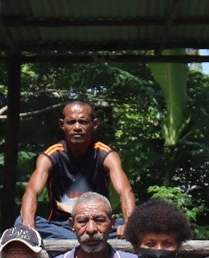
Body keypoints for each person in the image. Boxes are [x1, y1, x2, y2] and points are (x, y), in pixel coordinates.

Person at [20, 100, 137, 240]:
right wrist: (28, 226)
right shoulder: (51, 156)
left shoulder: (106, 155)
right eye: (71, 122)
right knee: (20, 222)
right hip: (61, 225)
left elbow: (125, 191)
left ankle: (81, 237)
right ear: (62, 125)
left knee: (136, 225)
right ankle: (80, 238)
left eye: (83, 122)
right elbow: (31, 192)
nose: (77, 127)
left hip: (98, 225)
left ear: (94, 125)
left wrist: (129, 224)